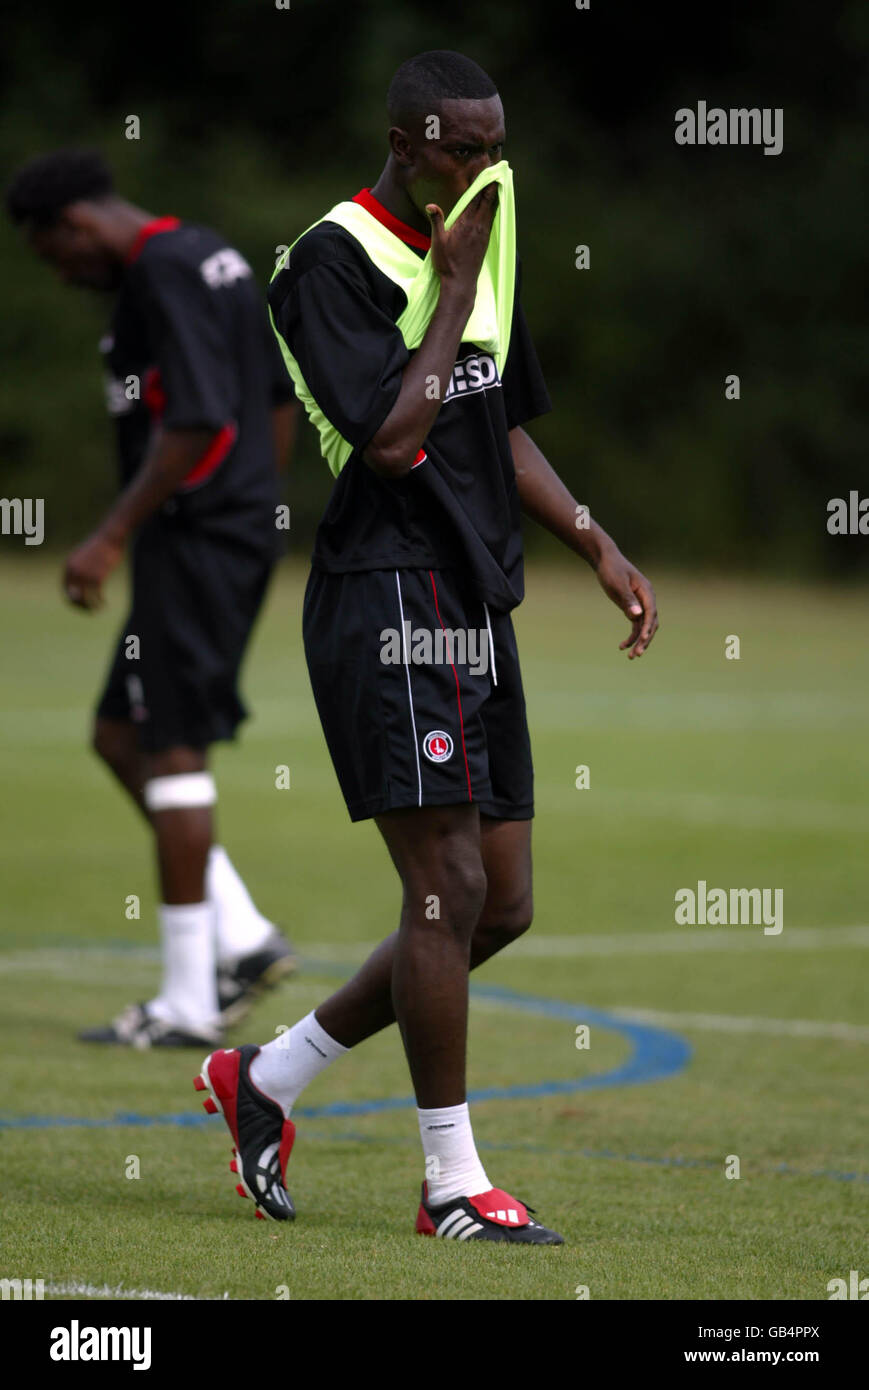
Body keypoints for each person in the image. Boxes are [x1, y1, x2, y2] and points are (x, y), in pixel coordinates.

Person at [194, 50, 658, 1243]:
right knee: (443, 887)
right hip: (385, 593)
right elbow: (395, 444)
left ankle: (267, 1079)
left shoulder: (483, 230)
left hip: (474, 596)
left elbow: (490, 416)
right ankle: (451, 1182)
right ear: (404, 142)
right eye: (464, 150)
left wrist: (593, 540)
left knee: (498, 904)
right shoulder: (327, 263)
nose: (485, 170)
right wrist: (447, 287)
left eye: (497, 148)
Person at [6, 149, 299, 1049]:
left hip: (196, 537)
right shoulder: (211, 253)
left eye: (55, 255)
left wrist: (111, 532)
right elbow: (277, 397)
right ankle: (243, 938)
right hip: (221, 529)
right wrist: (261, 495)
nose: (62, 274)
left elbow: (203, 417)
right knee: (119, 734)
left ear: (79, 226)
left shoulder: (161, 272)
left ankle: (187, 1002)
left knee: (172, 750)